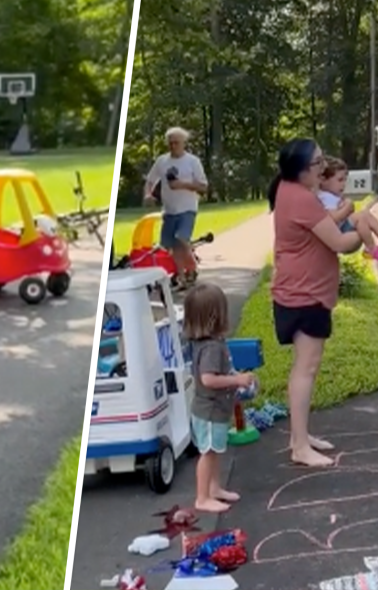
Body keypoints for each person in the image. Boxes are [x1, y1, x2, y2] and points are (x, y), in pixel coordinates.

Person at [268, 139, 367, 467]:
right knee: (306, 367)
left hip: (300, 291)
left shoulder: (287, 188)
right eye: (318, 163)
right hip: (303, 294)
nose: (324, 168)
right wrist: (366, 235)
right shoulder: (301, 199)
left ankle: (301, 434)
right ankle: (299, 446)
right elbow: (339, 243)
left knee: (305, 366)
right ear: (302, 169)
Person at [182, 282, 255, 513]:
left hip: (213, 409)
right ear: (215, 316)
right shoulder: (211, 348)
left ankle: (214, 489)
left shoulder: (208, 343)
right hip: (210, 410)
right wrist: (237, 381)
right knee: (209, 453)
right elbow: (208, 379)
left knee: (213, 452)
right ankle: (202, 498)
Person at [144, 126, 208, 289]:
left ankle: (192, 267)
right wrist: (148, 194)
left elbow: (203, 187)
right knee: (171, 246)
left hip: (187, 209)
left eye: (176, 143)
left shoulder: (193, 162)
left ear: (184, 143)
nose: (173, 146)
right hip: (169, 210)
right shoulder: (162, 161)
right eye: (170, 143)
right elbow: (150, 180)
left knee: (181, 238)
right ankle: (182, 279)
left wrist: (183, 185)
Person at [317, 156, 378, 261]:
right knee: (361, 217)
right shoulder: (325, 197)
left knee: (364, 215)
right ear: (323, 181)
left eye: (345, 180)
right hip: (338, 231)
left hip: (341, 227)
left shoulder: (332, 195)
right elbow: (333, 219)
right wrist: (347, 208)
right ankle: (372, 249)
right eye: (340, 180)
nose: (343, 184)